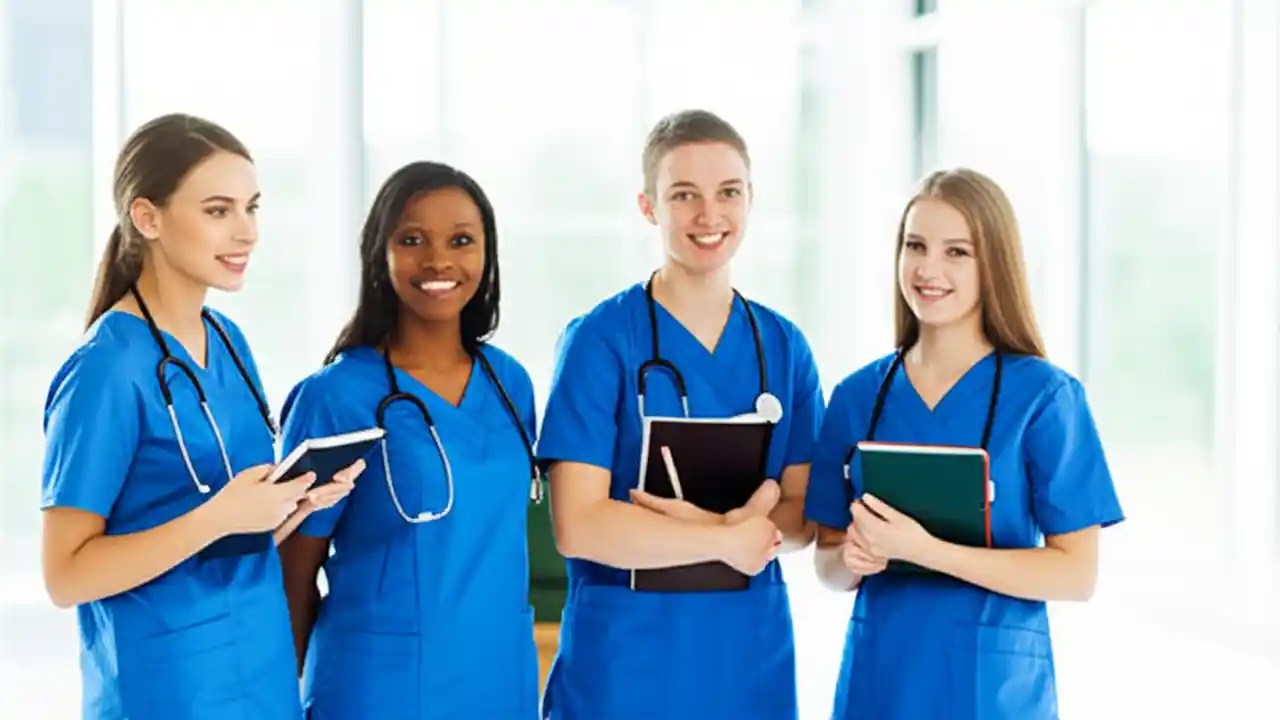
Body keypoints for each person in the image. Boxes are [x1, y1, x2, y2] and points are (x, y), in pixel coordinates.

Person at [39, 113, 360, 720]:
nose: (246, 232)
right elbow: (66, 575)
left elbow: (231, 534)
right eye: (218, 210)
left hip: (259, 679)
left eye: (252, 208)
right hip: (167, 690)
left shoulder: (229, 342)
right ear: (147, 217)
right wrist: (215, 519)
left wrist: (293, 507)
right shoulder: (106, 370)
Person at [806, 167, 1125, 719]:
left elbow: (1076, 574)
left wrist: (924, 550)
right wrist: (852, 558)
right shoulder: (860, 397)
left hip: (993, 688)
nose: (929, 269)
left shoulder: (1046, 398)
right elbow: (828, 563)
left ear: (993, 265)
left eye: (958, 252)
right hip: (881, 680)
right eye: (916, 246)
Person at [537, 109, 824, 719]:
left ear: (751, 199)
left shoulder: (784, 347)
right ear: (649, 207)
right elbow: (578, 524)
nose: (708, 216)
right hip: (626, 658)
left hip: (748, 653)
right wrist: (723, 537)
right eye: (683, 195)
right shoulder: (602, 341)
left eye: (728, 193)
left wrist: (760, 534)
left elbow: (804, 515)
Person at [278, 161, 542, 719]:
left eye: (462, 240)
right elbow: (291, 577)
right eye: (413, 239)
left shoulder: (509, 382)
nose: (439, 260)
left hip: (499, 680)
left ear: (486, 254)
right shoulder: (335, 397)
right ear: (381, 253)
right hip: (380, 689)